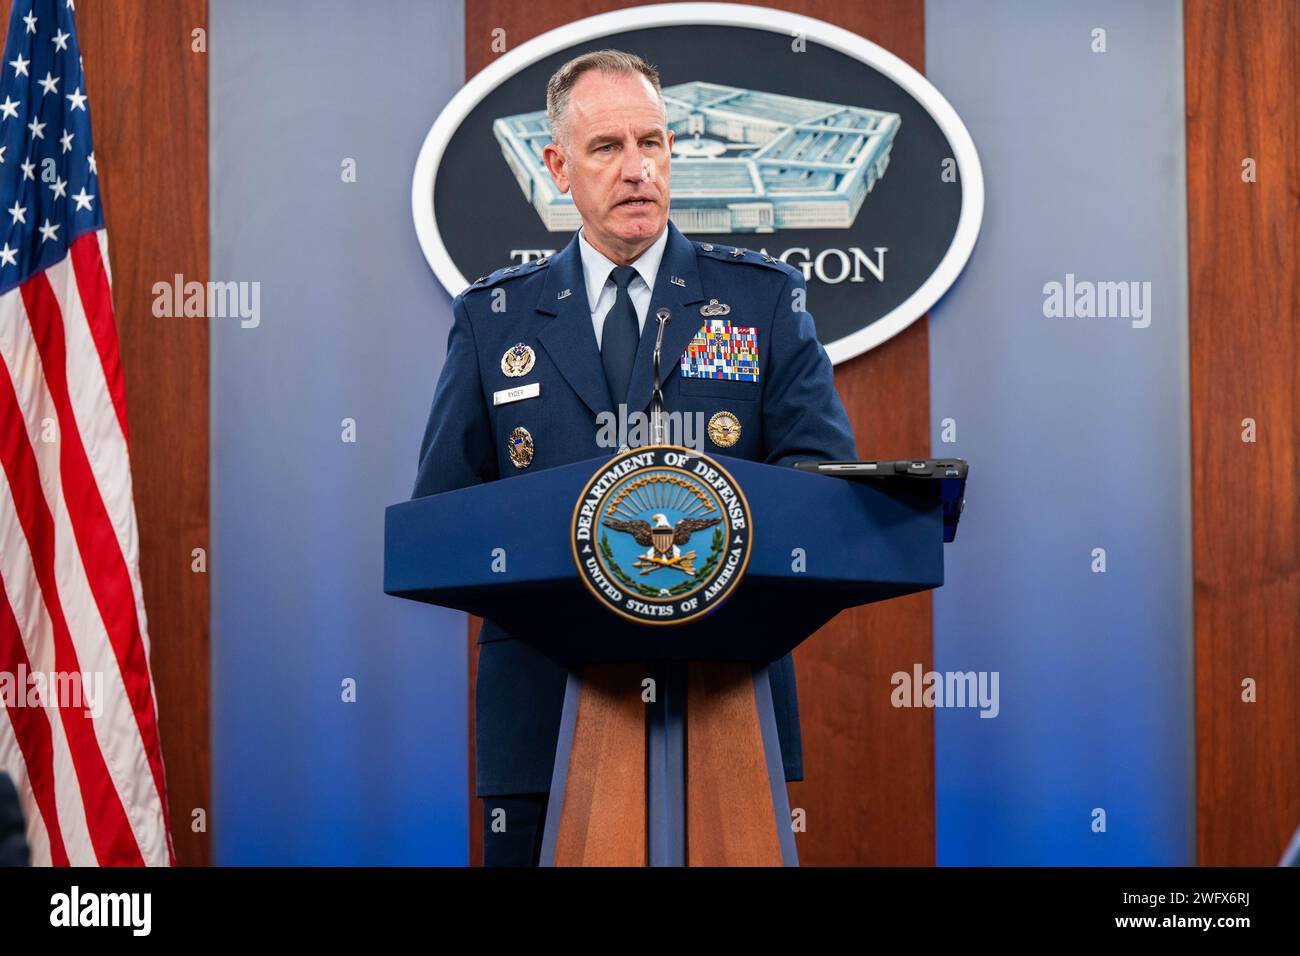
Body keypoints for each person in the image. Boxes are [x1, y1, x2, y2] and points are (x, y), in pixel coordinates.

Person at [411, 49, 857, 866]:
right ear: (557, 167)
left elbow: (821, 488)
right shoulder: (494, 320)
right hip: (543, 711)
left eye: (652, 143)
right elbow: (444, 516)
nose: (636, 169)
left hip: (723, 703)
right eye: (607, 147)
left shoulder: (761, 300)